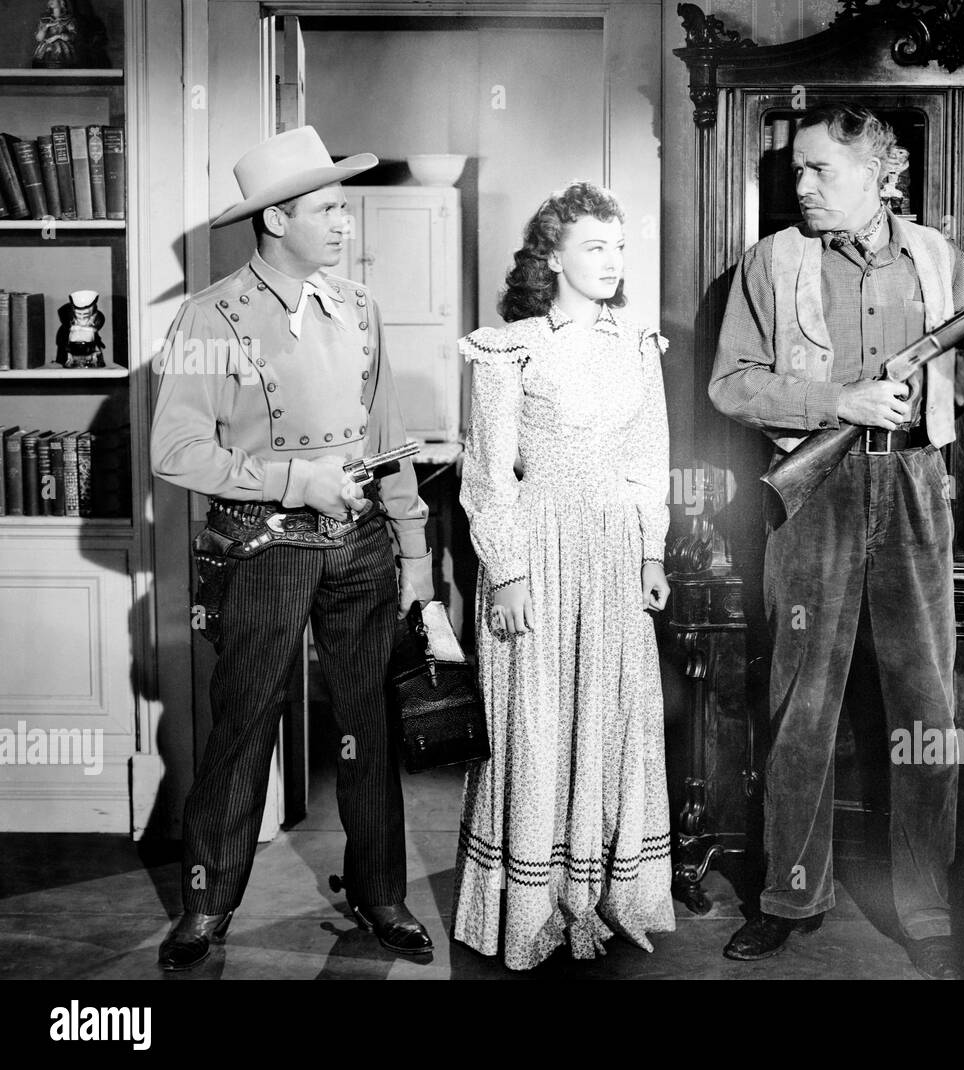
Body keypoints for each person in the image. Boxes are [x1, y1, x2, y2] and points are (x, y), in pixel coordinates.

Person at [709, 104, 964, 979]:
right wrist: (835, 406)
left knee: (928, 708)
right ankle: (789, 897)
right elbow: (731, 386)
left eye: (821, 171)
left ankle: (925, 905)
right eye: (798, 172)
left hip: (918, 484)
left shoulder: (938, 257)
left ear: (883, 176)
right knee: (801, 704)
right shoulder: (771, 262)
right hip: (814, 491)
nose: (802, 186)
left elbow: (960, 388)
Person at [150, 125, 435, 970]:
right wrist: (291, 479)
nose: (344, 222)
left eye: (341, 206)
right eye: (325, 208)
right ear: (275, 220)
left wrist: (413, 553)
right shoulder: (209, 317)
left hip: (363, 550)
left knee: (369, 726)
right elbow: (175, 450)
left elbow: (391, 442)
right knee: (245, 726)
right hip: (263, 553)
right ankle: (206, 906)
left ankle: (380, 894)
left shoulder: (359, 308)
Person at [453, 181, 675, 970]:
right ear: (553, 257)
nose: (612, 261)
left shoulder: (639, 343)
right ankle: (531, 909)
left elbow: (651, 460)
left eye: (619, 246)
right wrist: (507, 574)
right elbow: (485, 475)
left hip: (613, 553)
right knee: (536, 718)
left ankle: (601, 899)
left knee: (610, 714)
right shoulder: (508, 346)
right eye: (594, 246)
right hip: (536, 550)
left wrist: (651, 550)